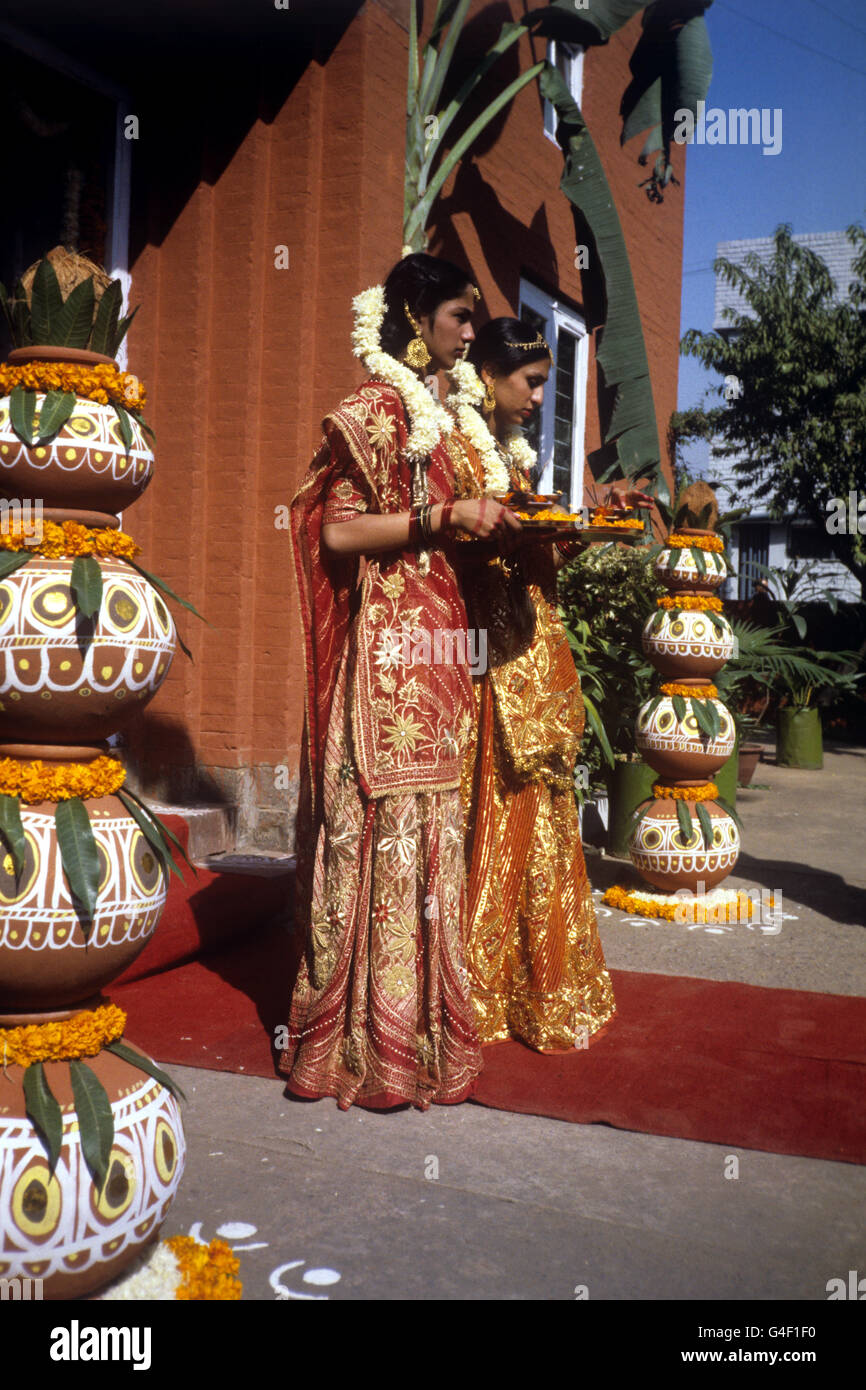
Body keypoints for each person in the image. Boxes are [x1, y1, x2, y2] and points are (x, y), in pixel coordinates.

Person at [279, 256, 520, 1110]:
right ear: (416, 317)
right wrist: (441, 518)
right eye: (458, 315)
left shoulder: (451, 414)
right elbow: (339, 536)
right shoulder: (378, 409)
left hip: (442, 635)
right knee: (375, 828)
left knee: (432, 833)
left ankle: (420, 1038)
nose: (468, 331)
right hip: (385, 644)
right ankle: (358, 1044)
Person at [446, 318, 651, 1051]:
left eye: (542, 385)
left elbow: (530, 548)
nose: (538, 398)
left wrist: (567, 533)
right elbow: (445, 546)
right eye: (531, 382)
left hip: (531, 647)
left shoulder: (511, 455)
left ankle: (536, 987)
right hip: (483, 659)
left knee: (542, 808)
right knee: (493, 807)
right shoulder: (455, 445)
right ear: (490, 375)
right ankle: (478, 992)